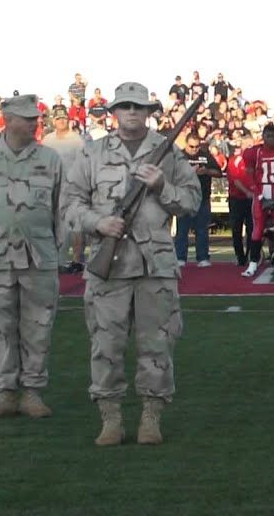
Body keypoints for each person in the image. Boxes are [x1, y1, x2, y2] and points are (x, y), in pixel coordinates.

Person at [63, 82, 201, 446]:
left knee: (157, 344)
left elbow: (191, 202)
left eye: (139, 107)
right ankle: (110, 417)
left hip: (156, 265)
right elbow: (69, 205)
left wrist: (162, 188)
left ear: (150, 112)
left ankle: (151, 417)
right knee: (105, 344)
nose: (132, 112)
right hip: (109, 267)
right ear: (113, 112)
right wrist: (98, 223)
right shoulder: (92, 154)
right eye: (125, 106)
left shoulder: (167, 152)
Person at [0, 95, 64, 420]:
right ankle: (5, 392)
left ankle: (32, 392)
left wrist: (60, 253)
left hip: (39, 259)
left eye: (36, 117)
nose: (34, 122)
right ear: (7, 120)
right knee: (2, 328)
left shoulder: (50, 159)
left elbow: (62, 209)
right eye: (26, 117)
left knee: (38, 326)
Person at [241, 124, 274, 277]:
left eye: (273, 136)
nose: (271, 140)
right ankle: (253, 263)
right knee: (257, 228)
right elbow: (250, 176)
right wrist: (259, 196)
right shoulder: (254, 153)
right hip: (261, 193)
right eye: (268, 136)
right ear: (263, 137)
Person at [42, 104, 87, 272]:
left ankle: (77, 260)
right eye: (58, 118)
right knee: (55, 226)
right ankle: (57, 260)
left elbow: (84, 164)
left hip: (75, 189)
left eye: (64, 118)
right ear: (53, 120)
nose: (61, 121)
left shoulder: (77, 140)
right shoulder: (48, 140)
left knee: (76, 227)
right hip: (53, 189)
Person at [175, 132, 221, 267]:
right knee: (182, 230)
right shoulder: (179, 156)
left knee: (202, 229)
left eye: (197, 147)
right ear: (186, 144)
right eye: (191, 147)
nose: (194, 149)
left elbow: (218, 172)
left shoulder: (205, 155)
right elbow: (171, 175)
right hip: (184, 197)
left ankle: (202, 257)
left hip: (202, 197)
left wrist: (206, 171)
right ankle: (180, 257)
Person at [226, 135, 256, 268]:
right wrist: (247, 192)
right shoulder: (235, 160)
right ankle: (240, 256)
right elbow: (235, 180)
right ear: (242, 146)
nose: (250, 148)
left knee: (252, 228)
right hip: (237, 199)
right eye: (247, 145)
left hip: (252, 200)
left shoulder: (257, 161)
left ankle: (251, 255)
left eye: (252, 145)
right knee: (236, 228)